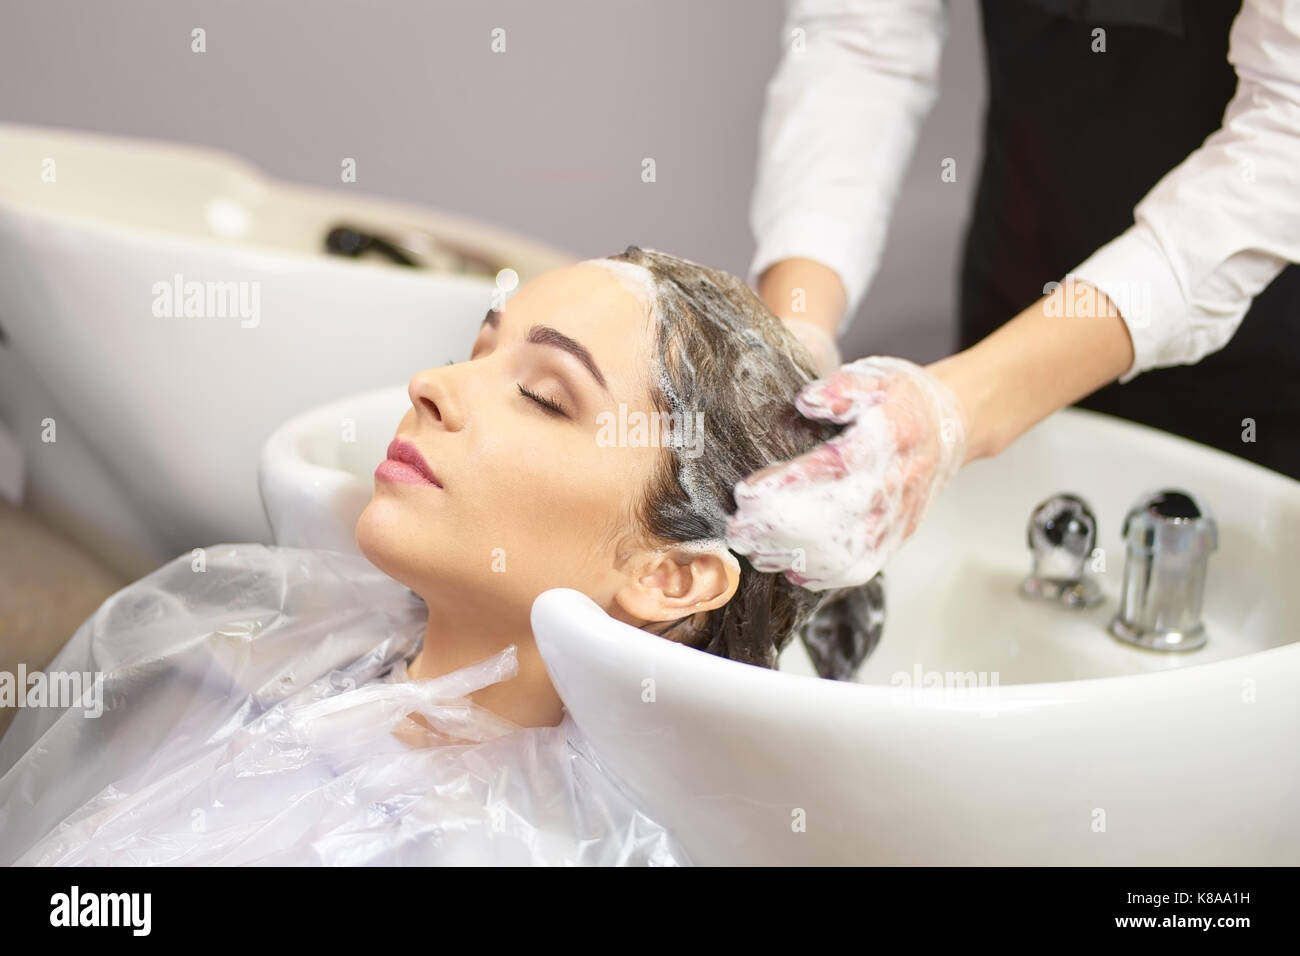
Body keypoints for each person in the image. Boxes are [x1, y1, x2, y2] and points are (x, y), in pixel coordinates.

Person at [0, 248, 882, 865]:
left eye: (543, 397)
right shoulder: (278, 667)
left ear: (670, 576)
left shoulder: (522, 844)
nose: (434, 385)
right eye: (477, 350)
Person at [730, 0, 1300, 592]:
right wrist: (797, 332)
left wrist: (958, 409)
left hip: (1264, 356)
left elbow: (1289, 135)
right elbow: (861, 37)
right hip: (1025, 275)